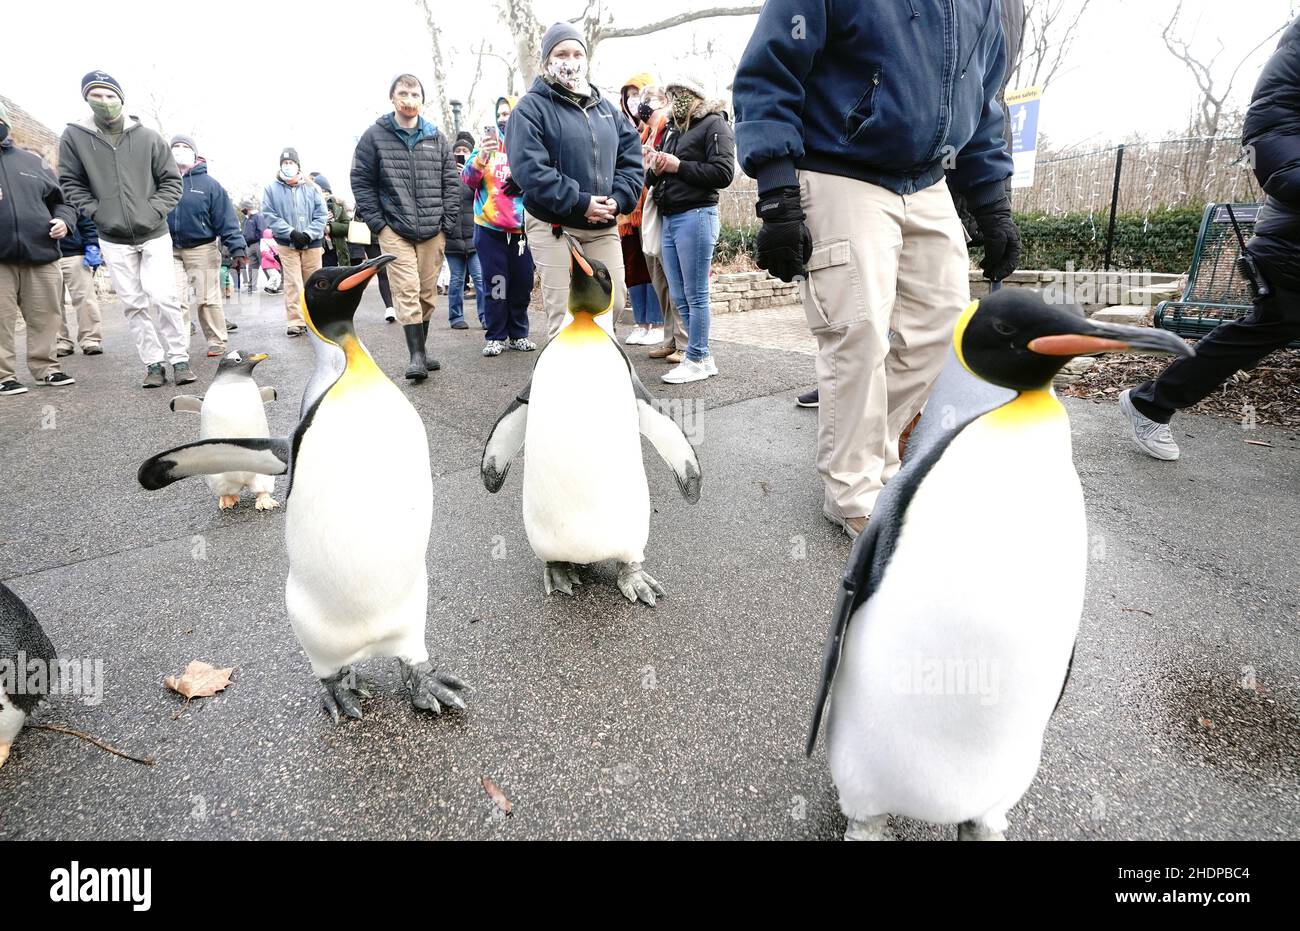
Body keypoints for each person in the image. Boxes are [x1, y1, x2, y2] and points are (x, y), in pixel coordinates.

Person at [734, 2, 1020, 539]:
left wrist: (991, 201)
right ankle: (851, 488)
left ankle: (876, 459)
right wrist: (776, 190)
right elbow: (770, 69)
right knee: (858, 334)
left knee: (941, 331)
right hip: (840, 165)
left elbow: (983, 103)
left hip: (930, 177)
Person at [1120, 22, 1300, 461]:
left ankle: (1152, 402)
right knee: (1265, 329)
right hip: (1293, 242)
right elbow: (1271, 135)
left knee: (1265, 329)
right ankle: (1152, 401)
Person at [506, 23, 644, 340]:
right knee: (563, 312)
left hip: (602, 224)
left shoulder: (608, 110)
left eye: (577, 53)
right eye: (561, 53)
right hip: (553, 223)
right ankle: (562, 382)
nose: (570, 61)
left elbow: (631, 159)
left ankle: (600, 370)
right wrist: (579, 202)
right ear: (546, 61)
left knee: (614, 301)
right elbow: (530, 169)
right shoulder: (529, 109)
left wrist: (620, 198)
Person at [58, 71, 195, 387]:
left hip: (154, 233)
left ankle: (179, 359)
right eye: (96, 96)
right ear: (87, 99)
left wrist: (153, 210)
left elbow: (172, 182)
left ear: (121, 98)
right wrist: (98, 213)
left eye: (110, 95)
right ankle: (153, 364)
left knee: (163, 297)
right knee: (134, 304)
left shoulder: (148, 137)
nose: (104, 102)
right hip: (112, 236)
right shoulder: (74, 137)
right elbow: (71, 182)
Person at [351, 73, 459, 380]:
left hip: (432, 229)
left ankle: (422, 351)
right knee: (406, 290)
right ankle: (415, 357)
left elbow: (451, 182)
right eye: (403, 93)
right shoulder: (374, 136)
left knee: (427, 293)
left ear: (422, 100)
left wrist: (446, 223)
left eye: (414, 94)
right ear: (392, 97)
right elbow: (361, 180)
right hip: (394, 229)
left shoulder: (436, 137)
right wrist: (378, 224)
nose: (408, 99)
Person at [645, 77, 735, 384]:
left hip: (697, 216)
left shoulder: (715, 124)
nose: (674, 99)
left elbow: (724, 173)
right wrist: (654, 170)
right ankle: (698, 356)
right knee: (680, 294)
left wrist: (678, 166)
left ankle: (697, 357)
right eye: (670, 94)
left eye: (680, 93)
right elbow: (657, 174)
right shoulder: (673, 128)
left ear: (696, 94)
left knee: (696, 295)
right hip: (669, 217)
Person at [0, 101, 78, 395]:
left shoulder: (33, 163)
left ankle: (47, 368)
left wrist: (62, 220)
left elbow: (63, 201)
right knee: (1, 319)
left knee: (46, 315)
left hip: (41, 253)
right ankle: (3, 375)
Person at [463, 96, 535, 356]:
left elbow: (543, 178)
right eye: (501, 114)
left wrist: (524, 180)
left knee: (522, 283)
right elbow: (468, 179)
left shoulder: (529, 144)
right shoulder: (485, 146)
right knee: (497, 283)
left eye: (509, 113)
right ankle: (496, 335)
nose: (504, 118)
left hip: (522, 230)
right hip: (490, 229)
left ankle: (518, 334)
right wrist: (482, 154)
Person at [167, 134, 247, 358]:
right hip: (168, 249)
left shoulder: (209, 185)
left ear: (195, 153)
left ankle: (216, 340)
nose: (180, 150)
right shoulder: (160, 181)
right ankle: (179, 347)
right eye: (176, 147)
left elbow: (227, 218)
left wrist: (237, 247)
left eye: (185, 147)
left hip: (202, 247)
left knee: (207, 298)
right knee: (175, 299)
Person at [618, 73, 665, 348]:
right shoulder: (624, 129)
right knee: (633, 266)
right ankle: (641, 322)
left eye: (639, 95)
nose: (634, 101)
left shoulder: (657, 127)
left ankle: (657, 323)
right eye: (630, 95)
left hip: (649, 203)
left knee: (651, 265)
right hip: (626, 209)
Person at [261, 147, 328, 336]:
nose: (288, 166)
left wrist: (308, 233)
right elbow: (269, 215)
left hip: (312, 243)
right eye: (285, 163)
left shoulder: (311, 187)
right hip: (287, 243)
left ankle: (317, 319)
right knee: (293, 282)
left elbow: (321, 214)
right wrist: (291, 233)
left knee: (314, 282)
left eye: (291, 163)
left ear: (298, 166)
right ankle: (296, 321)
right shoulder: (271, 189)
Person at [446, 131, 486, 330]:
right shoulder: (445, 176)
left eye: (465, 150)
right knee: (456, 280)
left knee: (480, 278)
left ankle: (486, 317)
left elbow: (482, 196)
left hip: (474, 236)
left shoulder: (475, 175)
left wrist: (467, 175)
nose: (461, 152)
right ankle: (455, 317)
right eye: (458, 150)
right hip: (452, 238)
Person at [54, 212, 103, 358]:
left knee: (85, 299)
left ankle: (90, 340)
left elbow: (87, 221)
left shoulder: (67, 192)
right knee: (52, 303)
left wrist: (92, 245)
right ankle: (60, 341)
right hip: (44, 255)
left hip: (75, 252)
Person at [345, 211, 395, 321]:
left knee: (398, 270)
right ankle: (389, 307)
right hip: (373, 236)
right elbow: (360, 211)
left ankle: (400, 304)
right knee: (382, 272)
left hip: (394, 234)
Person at [310, 173, 351, 268]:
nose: (322, 194)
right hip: (316, 250)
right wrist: (321, 221)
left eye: (324, 191)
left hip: (336, 250)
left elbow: (348, 227)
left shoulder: (338, 206)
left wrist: (330, 228)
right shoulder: (308, 206)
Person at [240, 198, 271, 293]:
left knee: (265, 265)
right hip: (249, 245)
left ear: (248, 208)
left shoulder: (258, 217)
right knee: (252, 267)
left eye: (243, 208)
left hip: (259, 243)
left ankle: (273, 284)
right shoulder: (246, 219)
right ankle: (252, 286)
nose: (242, 210)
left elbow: (263, 230)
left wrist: (264, 244)